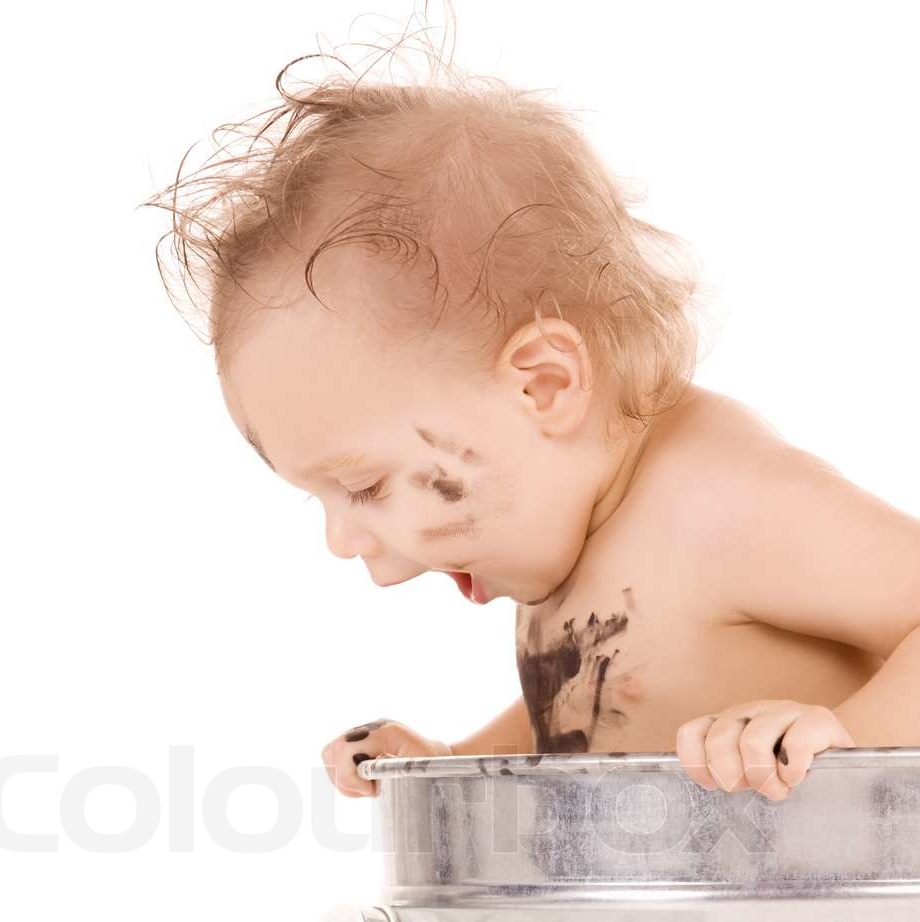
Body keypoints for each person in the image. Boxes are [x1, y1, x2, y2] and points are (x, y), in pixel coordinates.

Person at [145, 24, 920, 804]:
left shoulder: (725, 501)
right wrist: (454, 759)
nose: (344, 543)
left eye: (367, 485)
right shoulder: (586, 532)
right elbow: (600, 701)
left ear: (543, 386)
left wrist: (847, 735)